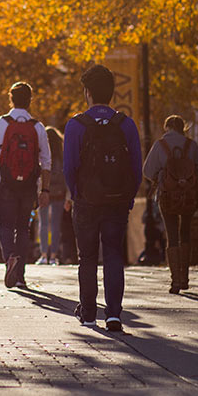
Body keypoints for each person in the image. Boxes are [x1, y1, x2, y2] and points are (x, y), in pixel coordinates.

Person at [63, 64, 143, 332]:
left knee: (86, 257)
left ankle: (87, 313)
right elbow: (136, 166)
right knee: (113, 254)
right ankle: (114, 315)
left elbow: (69, 166)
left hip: (86, 200)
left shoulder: (76, 126)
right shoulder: (126, 124)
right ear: (112, 93)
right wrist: (128, 197)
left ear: (87, 92)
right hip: (117, 200)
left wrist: (76, 195)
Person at [0, 81, 51, 289]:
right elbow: (46, 161)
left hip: (6, 184)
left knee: (5, 225)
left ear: (10, 98)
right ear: (30, 100)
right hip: (29, 186)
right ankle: (20, 275)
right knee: (23, 228)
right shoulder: (37, 127)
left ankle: (9, 258)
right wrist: (44, 189)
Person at [143, 114, 198, 293]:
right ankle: (185, 277)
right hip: (188, 196)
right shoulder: (191, 145)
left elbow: (147, 170)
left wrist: (162, 176)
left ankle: (175, 281)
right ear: (182, 127)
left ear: (167, 127)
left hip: (167, 195)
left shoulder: (159, 145)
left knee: (171, 234)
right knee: (185, 230)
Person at [37, 127, 67, 264]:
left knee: (43, 224)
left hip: (44, 192)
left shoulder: (42, 157)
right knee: (56, 225)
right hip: (59, 194)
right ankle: (53, 256)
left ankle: (43, 255)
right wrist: (68, 197)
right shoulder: (62, 157)